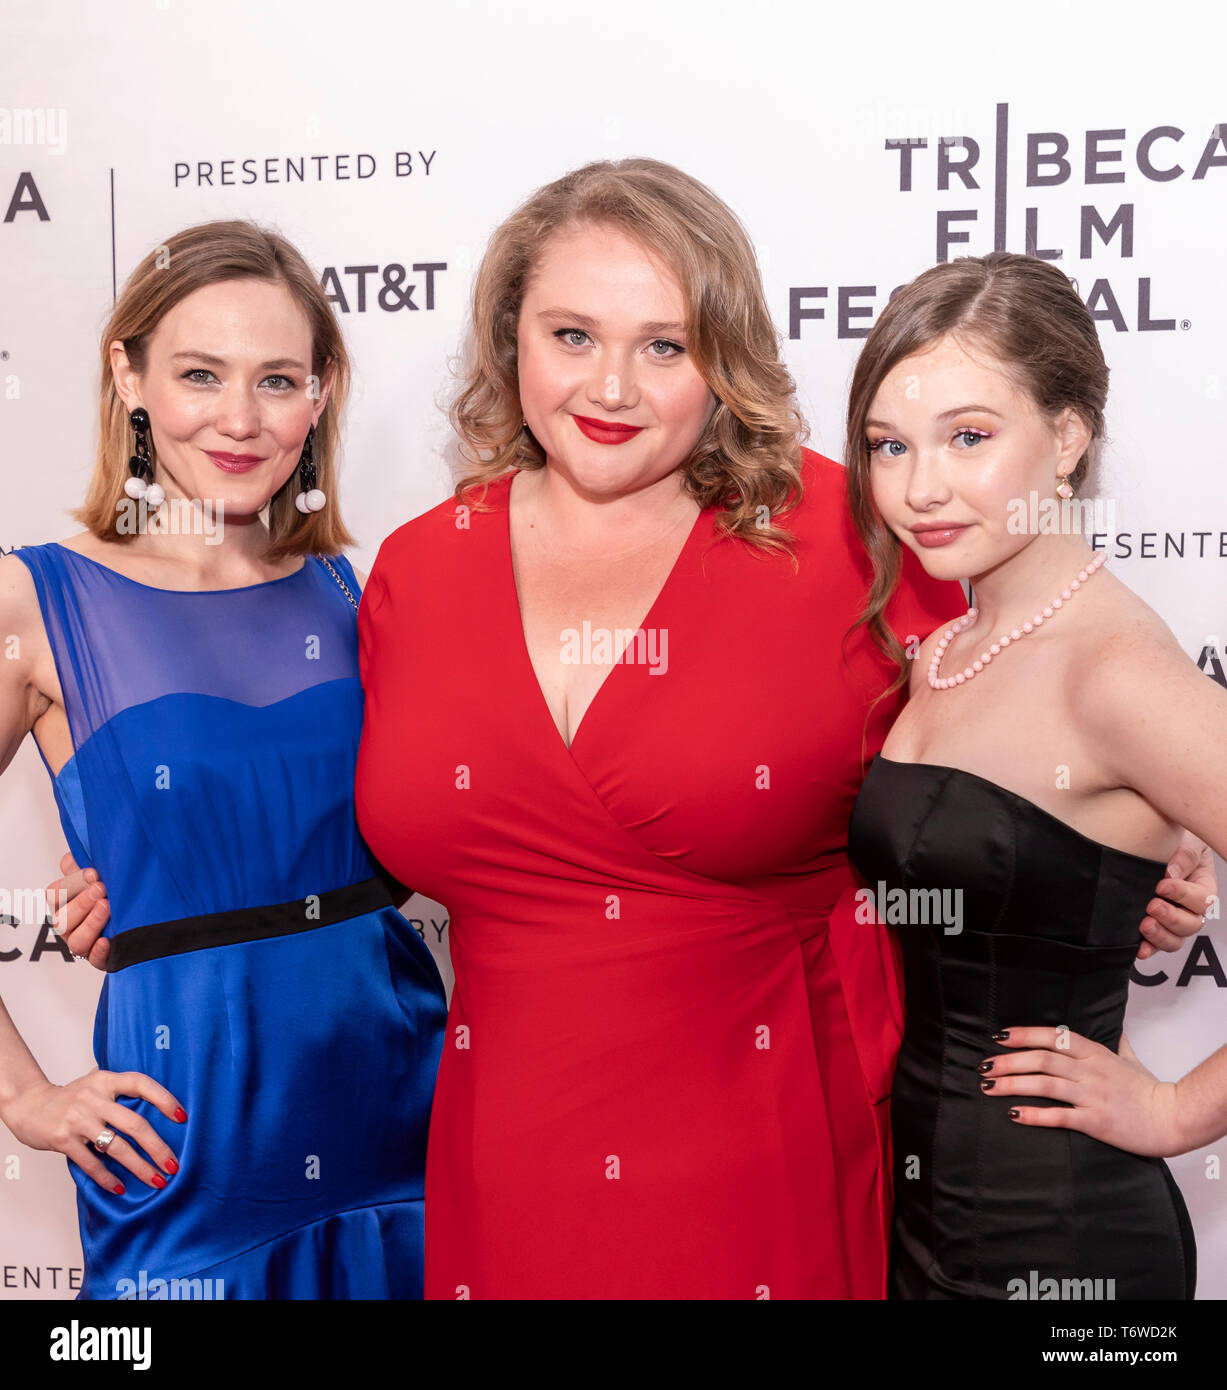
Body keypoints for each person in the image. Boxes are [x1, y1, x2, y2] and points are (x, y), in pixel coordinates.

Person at [351, 160, 1208, 1298]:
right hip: (501, 1151)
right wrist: (157, 892)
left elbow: (1024, 727)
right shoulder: (416, 565)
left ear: (726, 358)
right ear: (509, 339)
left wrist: (1126, 865)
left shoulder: (848, 536)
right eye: (570, 334)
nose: (611, 384)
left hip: (764, 1135)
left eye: (666, 344)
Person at [0, 220, 446, 1299]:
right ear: (130, 375)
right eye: (200, 374)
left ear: (323, 390)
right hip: (187, 1154)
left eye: (277, 379)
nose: (239, 419)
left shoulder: (359, 591)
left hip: (404, 1120)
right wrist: (24, 1095)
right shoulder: (35, 599)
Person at [843, 250, 1226, 1299]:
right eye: (889, 445)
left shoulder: (1116, 672)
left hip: (1063, 1237)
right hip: (924, 1211)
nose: (921, 487)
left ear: (1066, 439)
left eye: (969, 437)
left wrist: (1178, 1110)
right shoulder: (949, 646)